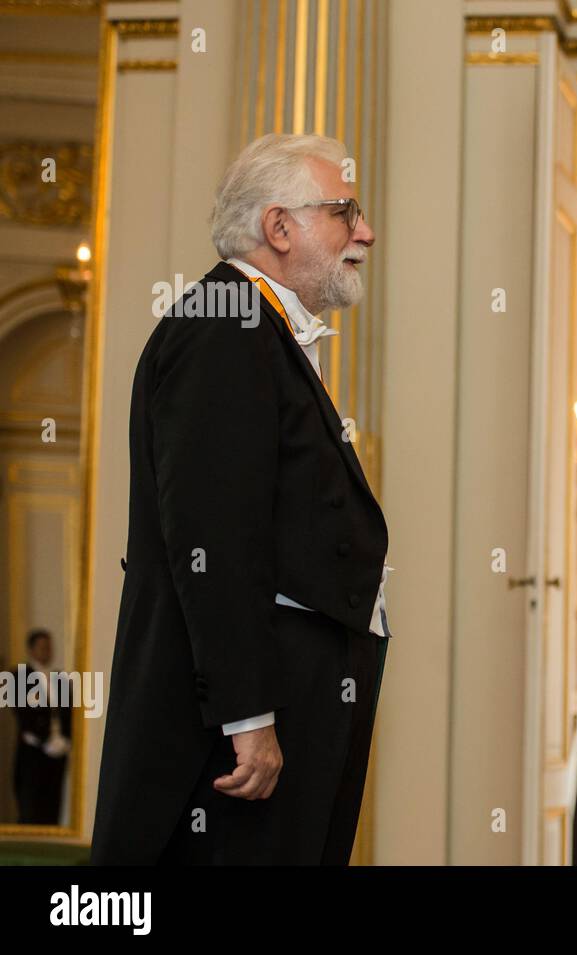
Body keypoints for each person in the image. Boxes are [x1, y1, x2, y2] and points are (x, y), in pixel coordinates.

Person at [91, 133, 392, 865]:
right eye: (344, 210)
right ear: (278, 226)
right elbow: (214, 538)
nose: (365, 230)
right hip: (249, 721)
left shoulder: (250, 325)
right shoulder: (224, 326)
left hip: (296, 692)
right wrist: (248, 714)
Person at [10, 628, 71, 825]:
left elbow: (68, 712)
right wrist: (45, 741)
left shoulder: (59, 678)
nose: (47, 651)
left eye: (49, 647)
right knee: (31, 806)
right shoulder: (18, 676)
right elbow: (23, 714)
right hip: (32, 753)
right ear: (31, 649)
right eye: (43, 647)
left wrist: (65, 739)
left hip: (57, 753)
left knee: (53, 804)